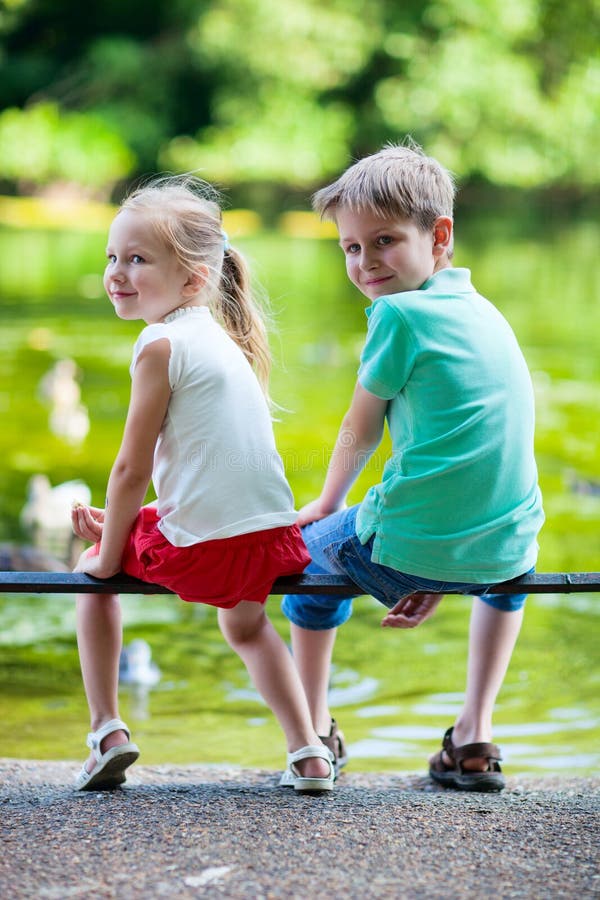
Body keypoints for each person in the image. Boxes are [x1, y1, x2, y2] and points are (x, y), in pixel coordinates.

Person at [281, 142, 545, 792]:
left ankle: (314, 732)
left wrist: (325, 504)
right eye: (350, 247)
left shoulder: (398, 314)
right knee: (507, 570)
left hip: (420, 544)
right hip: (506, 548)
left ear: (440, 236)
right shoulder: (486, 314)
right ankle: (475, 735)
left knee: (303, 567)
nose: (365, 262)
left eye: (385, 241)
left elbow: (360, 426)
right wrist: (438, 568)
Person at [71, 175, 334, 793]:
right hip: (266, 542)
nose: (117, 273)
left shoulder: (160, 344)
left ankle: (106, 730)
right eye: (112, 257)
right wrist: (132, 525)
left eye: (137, 260)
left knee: (89, 571)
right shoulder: (222, 339)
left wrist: (109, 555)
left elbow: (131, 470)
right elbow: (204, 474)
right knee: (245, 626)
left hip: (208, 549)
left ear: (193, 280)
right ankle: (309, 754)